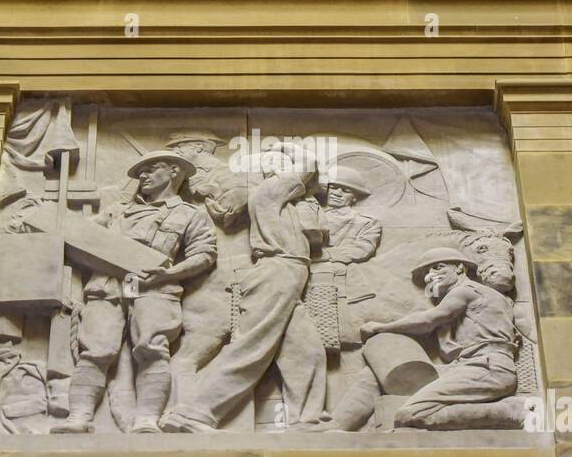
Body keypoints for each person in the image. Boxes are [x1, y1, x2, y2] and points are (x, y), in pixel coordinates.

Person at [161, 143, 326, 432]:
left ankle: (307, 419)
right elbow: (309, 164)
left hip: (290, 273)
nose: (289, 171)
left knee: (306, 349)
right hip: (277, 271)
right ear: (273, 171)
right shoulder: (269, 191)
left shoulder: (289, 203)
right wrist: (287, 147)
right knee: (252, 346)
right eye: (281, 165)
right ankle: (197, 411)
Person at [62, 150, 217, 433]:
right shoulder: (118, 211)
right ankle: (79, 416)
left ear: (174, 172)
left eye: (151, 168)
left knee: (152, 349)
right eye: (139, 172)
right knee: (96, 350)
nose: (142, 175)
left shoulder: (189, 214)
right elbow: (79, 235)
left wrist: (169, 273)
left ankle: (147, 419)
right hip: (107, 284)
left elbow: (205, 254)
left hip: (155, 286)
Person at [346, 247, 520, 430]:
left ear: (460, 268)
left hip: (488, 368)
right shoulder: (472, 298)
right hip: (465, 367)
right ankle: (337, 425)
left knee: (410, 415)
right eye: (426, 274)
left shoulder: (467, 291)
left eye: (438, 267)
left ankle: (512, 411)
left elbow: (429, 319)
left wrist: (379, 327)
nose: (430, 276)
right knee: (373, 375)